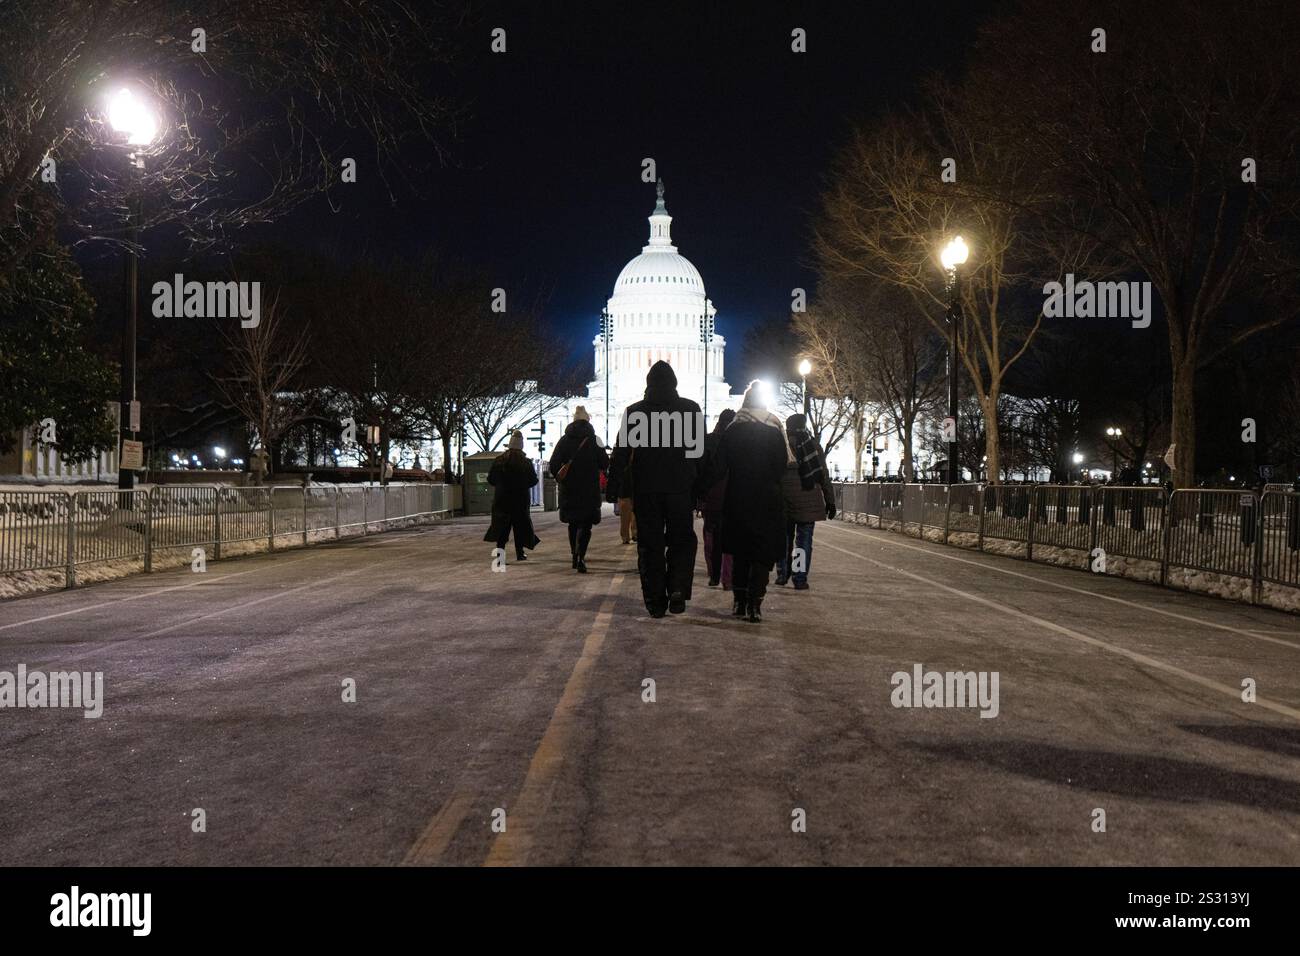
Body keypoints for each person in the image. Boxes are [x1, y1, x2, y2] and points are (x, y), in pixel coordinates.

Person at [610, 361, 701, 618]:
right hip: (680, 489)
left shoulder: (635, 412)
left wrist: (614, 485)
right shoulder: (690, 410)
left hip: (647, 488)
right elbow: (700, 454)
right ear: (674, 383)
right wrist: (701, 486)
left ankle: (654, 599)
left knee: (650, 546)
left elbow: (621, 453)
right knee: (681, 542)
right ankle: (678, 589)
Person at [716, 381, 789, 623]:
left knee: (741, 552)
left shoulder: (733, 430)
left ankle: (739, 600)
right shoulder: (775, 429)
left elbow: (720, 466)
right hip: (767, 499)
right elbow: (782, 466)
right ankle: (755, 603)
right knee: (762, 554)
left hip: (739, 497)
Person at [774, 413, 837, 590]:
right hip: (809, 500)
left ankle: (782, 574)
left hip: (784, 499)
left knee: (784, 538)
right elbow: (823, 475)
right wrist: (830, 501)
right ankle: (799, 577)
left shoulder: (780, 445)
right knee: (803, 542)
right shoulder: (813, 445)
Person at [549, 407, 609, 574]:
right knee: (586, 524)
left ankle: (574, 556)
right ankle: (581, 555)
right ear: (588, 421)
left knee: (573, 523)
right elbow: (605, 463)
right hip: (589, 490)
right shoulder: (595, 440)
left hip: (570, 489)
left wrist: (563, 477)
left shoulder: (564, 440)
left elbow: (554, 464)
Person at [483, 430, 540, 563]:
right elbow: (533, 480)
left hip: (502, 500)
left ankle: (500, 557)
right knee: (520, 527)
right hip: (520, 500)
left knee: (502, 529)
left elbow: (491, 479)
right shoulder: (525, 462)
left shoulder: (499, 461)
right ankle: (520, 553)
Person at [698, 408, 736, 589]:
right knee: (730, 537)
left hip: (711, 496)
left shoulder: (707, 441)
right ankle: (727, 577)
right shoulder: (739, 442)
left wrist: (699, 493)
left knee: (710, 536)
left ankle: (713, 574)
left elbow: (699, 470)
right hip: (733, 496)